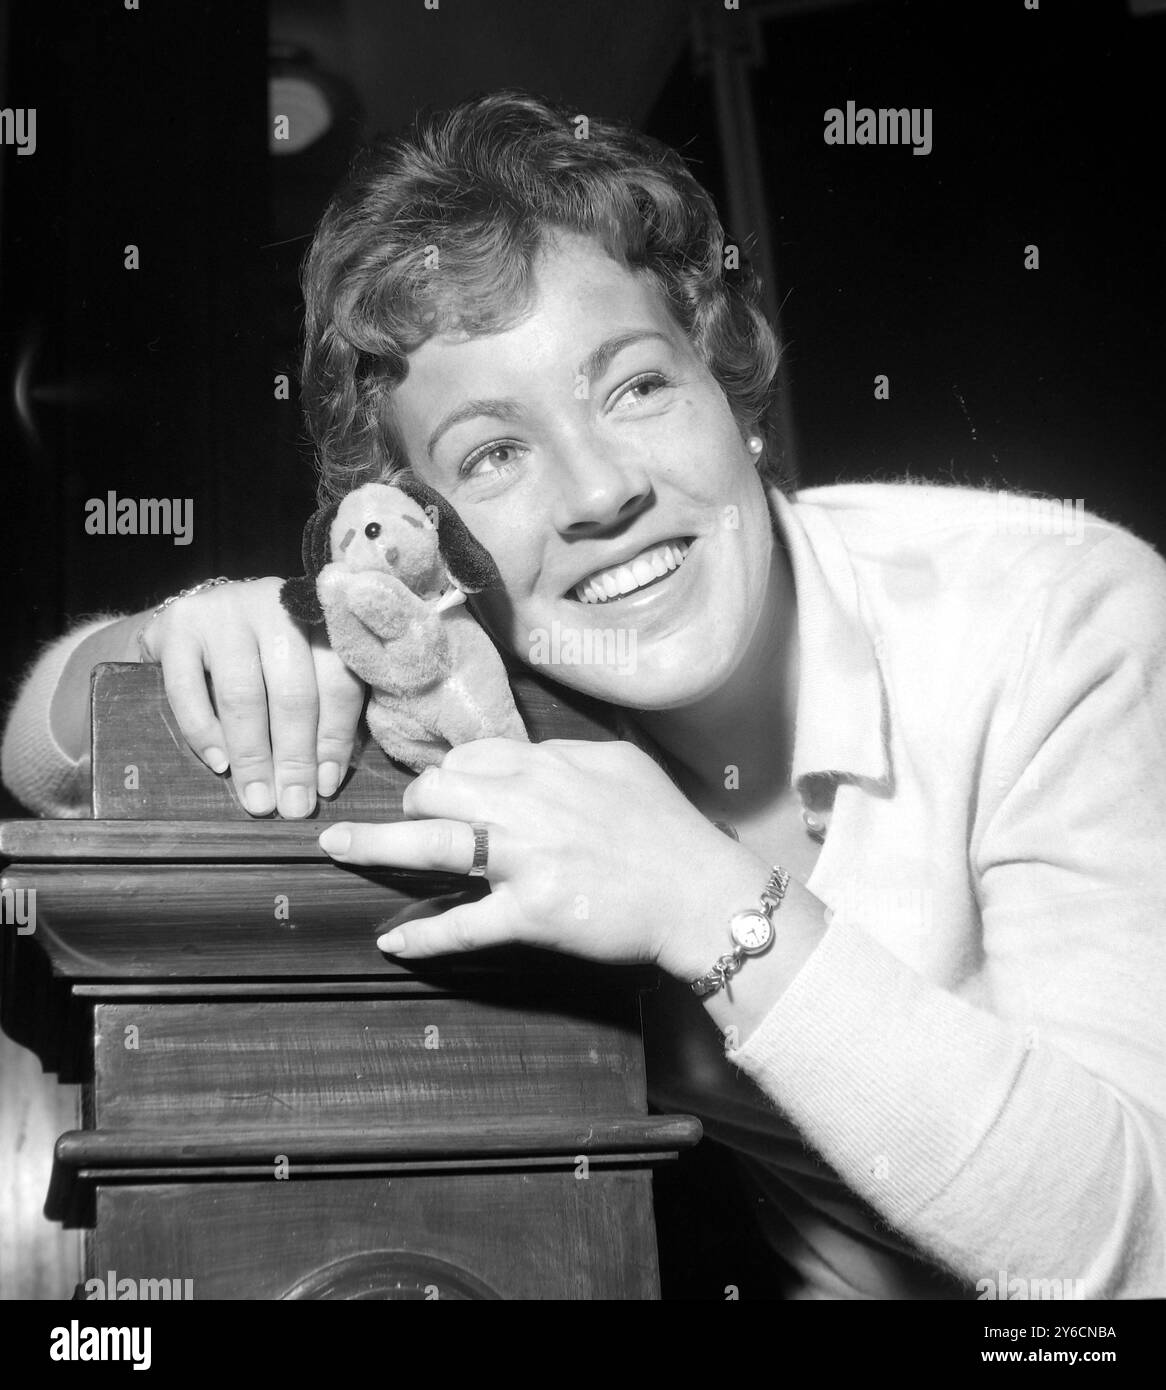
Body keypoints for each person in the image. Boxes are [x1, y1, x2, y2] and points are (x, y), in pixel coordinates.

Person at [4, 90, 1165, 1301]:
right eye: (493, 453)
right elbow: (47, 751)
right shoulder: (474, 683)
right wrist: (180, 633)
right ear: (435, 537)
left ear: (731, 393)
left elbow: (1137, 1251)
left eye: (634, 388)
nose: (599, 489)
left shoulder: (1052, 613)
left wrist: (704, 901)